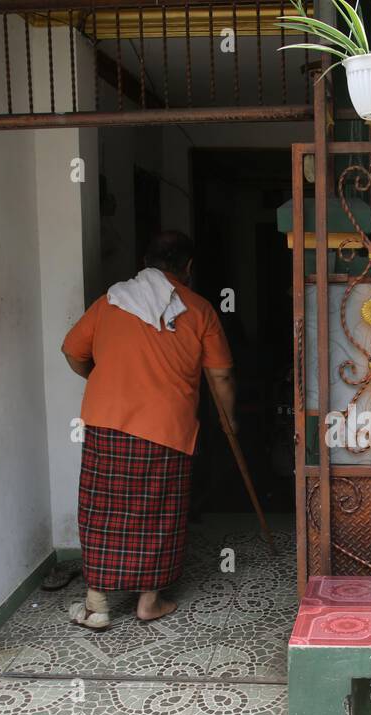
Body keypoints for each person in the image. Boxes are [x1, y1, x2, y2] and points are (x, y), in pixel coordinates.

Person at [61, 231, 236, 630]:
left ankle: (97, 605)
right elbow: (221, 375)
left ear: (144, 260)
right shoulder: (200, 309)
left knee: (102, 513)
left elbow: (72, 351)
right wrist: (230, 419)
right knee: (156, 514)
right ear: (188, 268)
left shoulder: (111, 301)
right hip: (165, 428)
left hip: (107, 423)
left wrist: (100, 376)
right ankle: (148, 602)